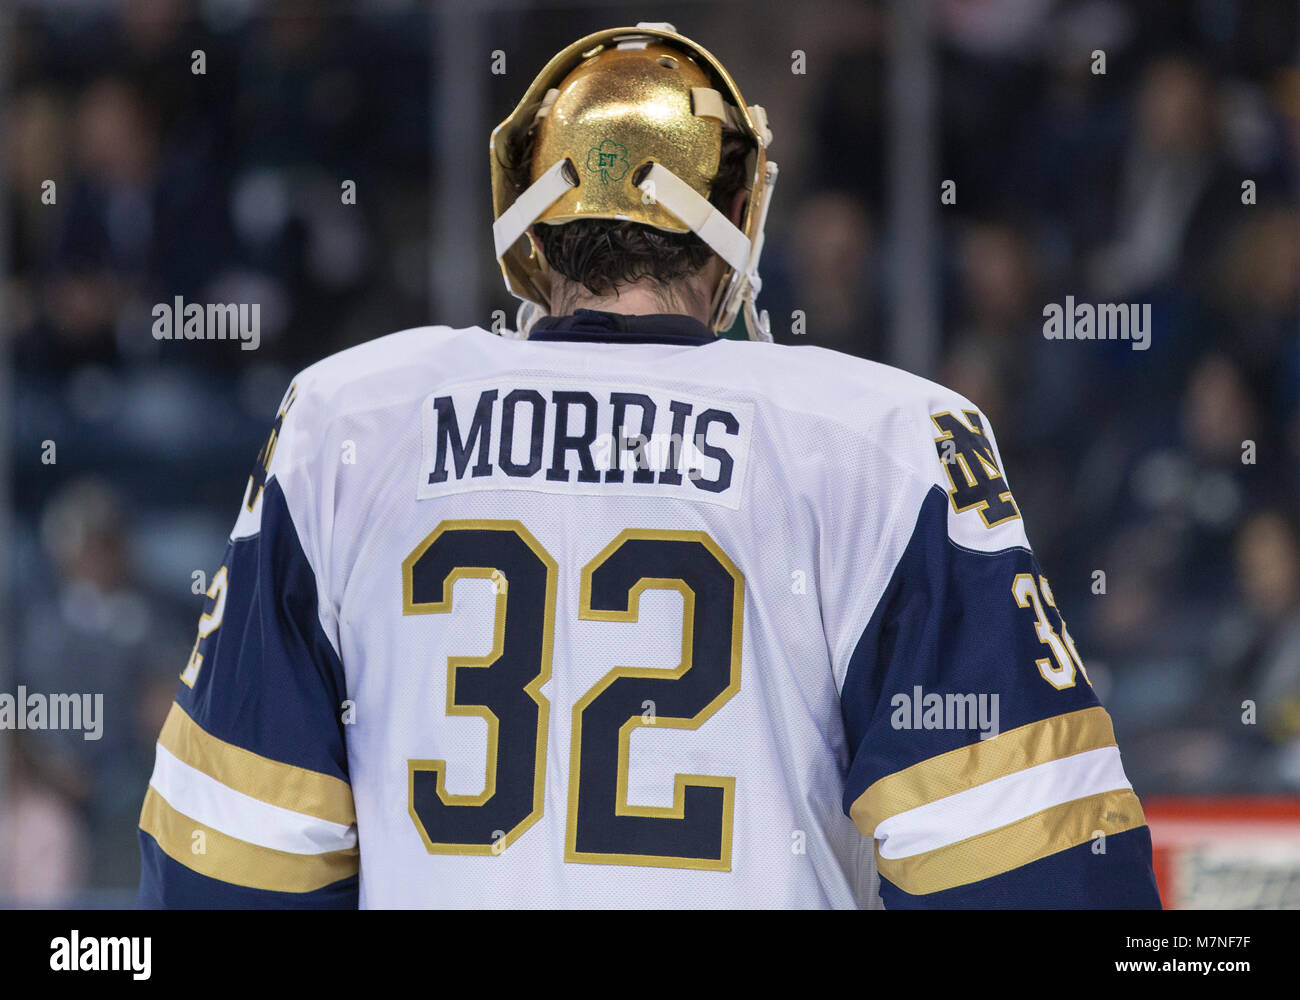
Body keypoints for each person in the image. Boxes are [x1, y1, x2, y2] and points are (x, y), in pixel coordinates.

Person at [138, 22, 1160, 908]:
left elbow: (229, 863)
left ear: (533, 229)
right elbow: (1036, 869)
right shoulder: (882, 438)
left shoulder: (347, 419)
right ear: (732, 235)